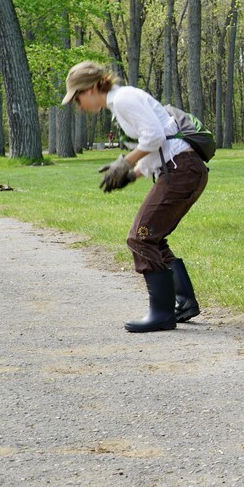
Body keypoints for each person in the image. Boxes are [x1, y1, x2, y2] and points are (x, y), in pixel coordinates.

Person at [62, 61, 208, 333]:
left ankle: (162, 314)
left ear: (93, 88)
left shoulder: (124, 99)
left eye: (78, 97)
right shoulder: (123, 101)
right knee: (150, 236)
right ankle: (184, 302)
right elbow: (159, 142)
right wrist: (131, 175)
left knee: (140, 237)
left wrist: (124, 163)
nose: (79, 106)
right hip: (182, 169)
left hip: (181, 170)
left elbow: (152, 138)